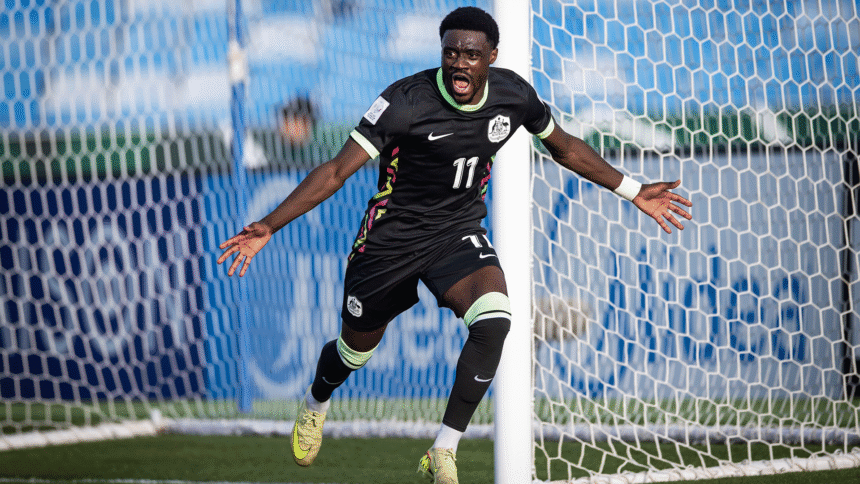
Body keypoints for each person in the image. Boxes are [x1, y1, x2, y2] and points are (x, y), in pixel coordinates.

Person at [217, 7, 693, 483]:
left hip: (456, 233)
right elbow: (336, 171)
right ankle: (317, 399)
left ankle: (443, 449)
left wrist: (633, 190)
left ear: (492, 56)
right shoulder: (404, 101)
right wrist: (269, 225)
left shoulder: (513, 96)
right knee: (354, 352)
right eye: (451, 52)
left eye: (471, 54)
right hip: (391, 241)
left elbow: (564, 146)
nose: (459, 63)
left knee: (495, 321)